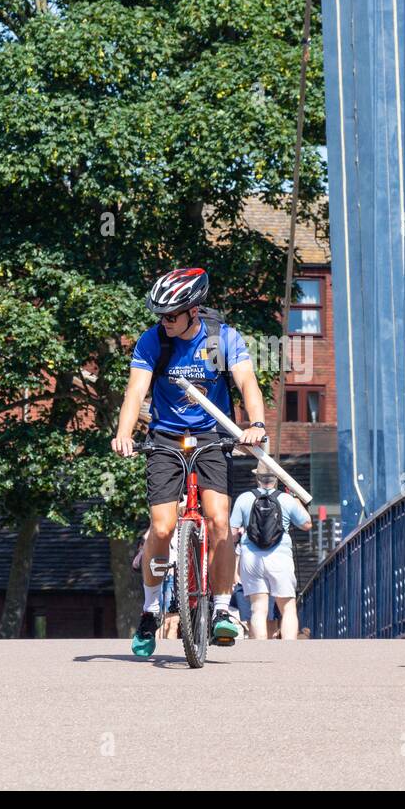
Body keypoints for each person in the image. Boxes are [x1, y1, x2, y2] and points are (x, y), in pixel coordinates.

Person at [111, 268, 267, 657]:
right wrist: (124, 433)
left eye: (171, 316)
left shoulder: (220, 339)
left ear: (193, 311)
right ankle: (149, 612)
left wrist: (256, 425)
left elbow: (248, 383)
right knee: (161, 530)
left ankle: (221, 610)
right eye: (160, 316)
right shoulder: (153, 342)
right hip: (165, 438)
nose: (164, 323)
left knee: (219, 522)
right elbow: (135, 393)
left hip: (213, 436)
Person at [230, 468, 311, 640]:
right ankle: (288, 652)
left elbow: (232, 533)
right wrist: (296, 500)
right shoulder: (286, 499)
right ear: (277, 479)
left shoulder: (244, 498)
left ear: (256, 478)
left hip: (251, 558)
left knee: (258, 608)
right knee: (287, 607)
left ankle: (261, 651)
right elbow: (306, 524)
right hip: (280, 557)